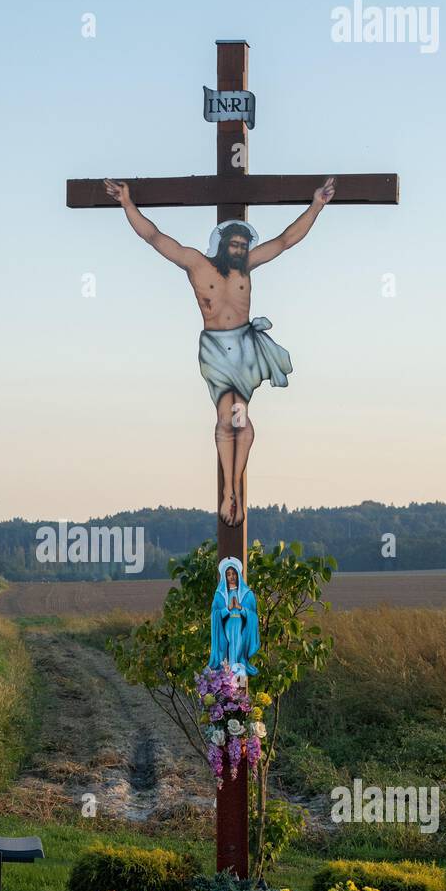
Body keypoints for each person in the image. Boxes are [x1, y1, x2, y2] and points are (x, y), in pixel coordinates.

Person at [104, 175, 336, 527]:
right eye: (236, 244)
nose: (241, 250)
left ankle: (234, 489)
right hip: (215, 349)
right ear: (223, 244)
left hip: (244, 348)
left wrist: (316, 204)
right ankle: (230, 489)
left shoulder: (248, 267)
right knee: (226, 414)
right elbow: (154, 237)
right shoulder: (197, 264)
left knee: (240, 419)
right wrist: (126, 203)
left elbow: (287, 240)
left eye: (245, 245)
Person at [209, 556, 260, 677]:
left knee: (238, 646)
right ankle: (230, 675)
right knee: (231, 646)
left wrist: (241, 608)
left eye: (234, 573)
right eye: (228, 574)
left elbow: (253, 616)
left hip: (240, 626)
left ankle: (237, 674)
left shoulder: (247, 594)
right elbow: (215, 615)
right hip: (228, 626)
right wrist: (228, 609)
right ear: (225, 577)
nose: (231, 577)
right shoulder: (220, 594)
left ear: (238, 574)